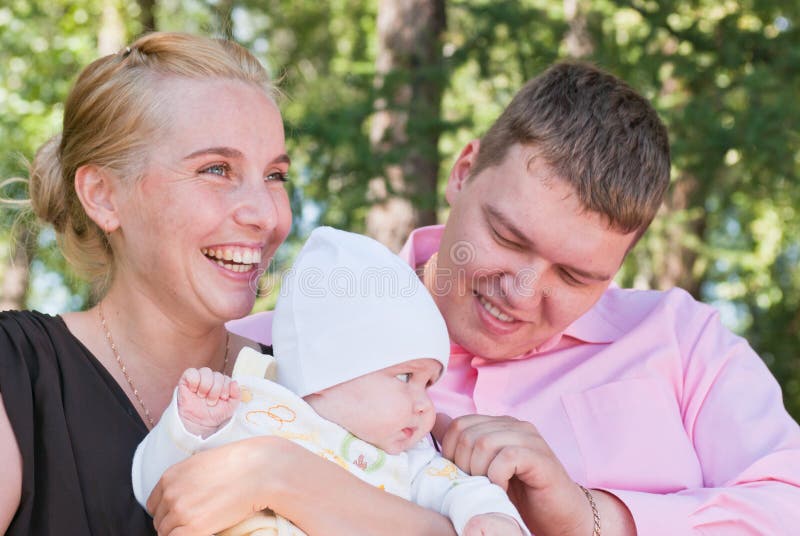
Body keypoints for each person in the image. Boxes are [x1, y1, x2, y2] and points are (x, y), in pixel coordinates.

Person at [229, 62, 800, 535]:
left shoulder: (685, 343)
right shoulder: (270, 346)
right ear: (463, 171)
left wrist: (592, 516)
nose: (521, 294)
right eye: (507, 237)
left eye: (575, 276)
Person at [0, 32, 461, 536]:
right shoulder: (18, 373)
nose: (266, 215)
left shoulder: (325, 381)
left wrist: (282, 476)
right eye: (216, 169)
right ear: (103, 195)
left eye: (275, 176)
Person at [133, 227, 528, 536]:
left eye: (428, 383)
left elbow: (460, 489)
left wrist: (490, 516)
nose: (425, 405)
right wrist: (189, 429)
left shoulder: (412, 460)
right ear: (329, 371)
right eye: (405, 377)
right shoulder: (255, 410)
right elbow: (156, 489)